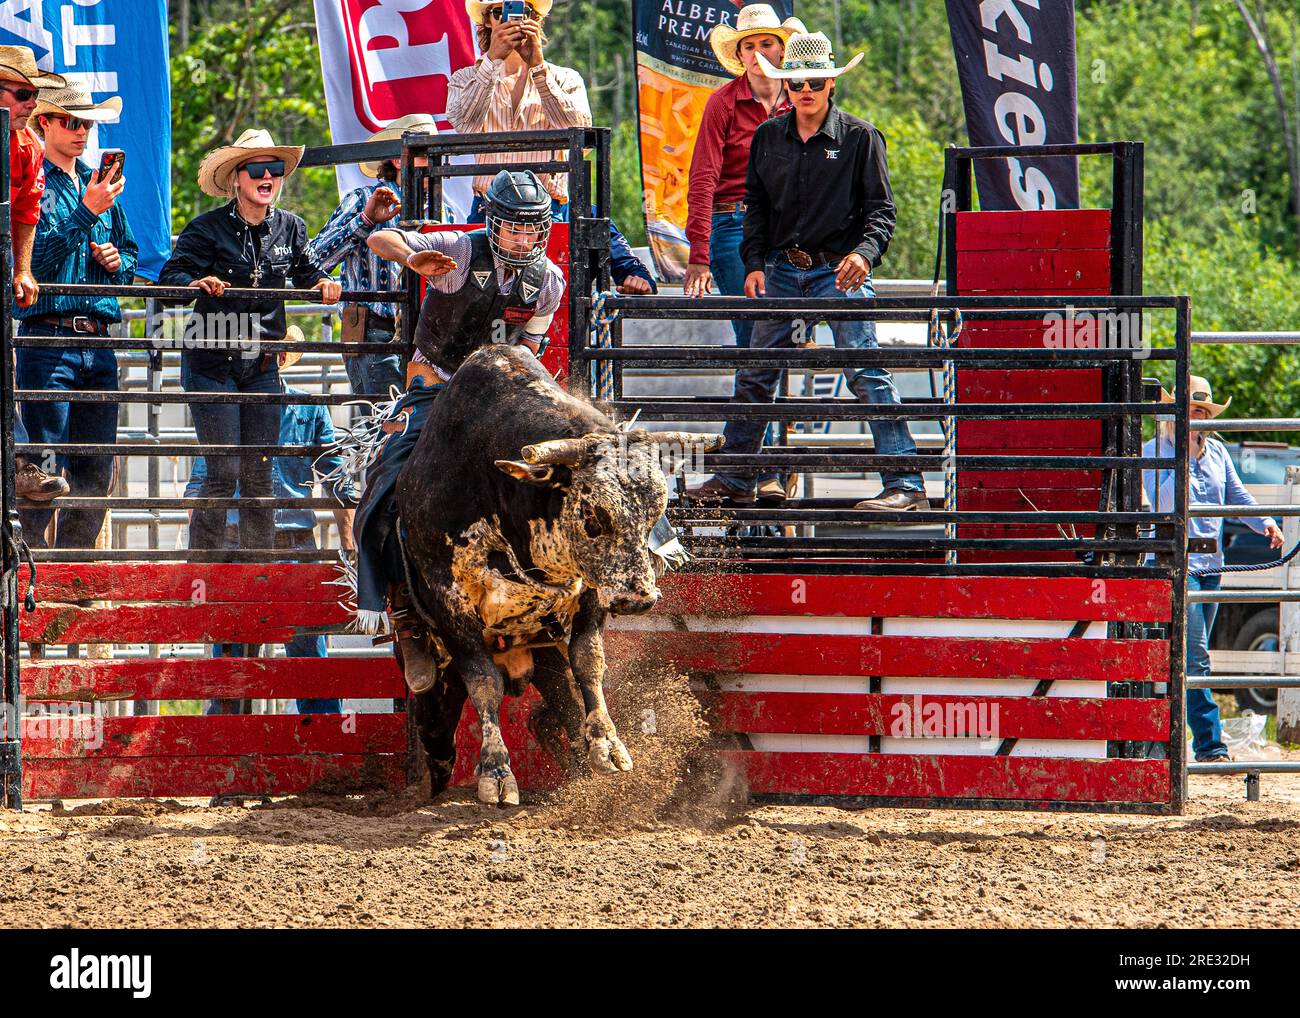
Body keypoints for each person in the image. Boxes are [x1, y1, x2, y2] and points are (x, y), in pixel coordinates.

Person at [685, 32, 925, 510]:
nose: (806, 90)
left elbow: (881, 211)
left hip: (838, 268)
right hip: (781, 269)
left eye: (815, 81)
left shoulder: (860, 137)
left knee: (864, 369)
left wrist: (863, 254)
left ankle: (905, 485)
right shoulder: (769, 137)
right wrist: (753, 263)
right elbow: (756, 206)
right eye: (796, 84)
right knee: (756, 374)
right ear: (787, 87)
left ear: (831, 84)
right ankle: (736, 479)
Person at [353, 168, 566, 637]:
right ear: (493, 221)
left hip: (495, 393)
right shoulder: (464, 249)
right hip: (436, 383)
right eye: (513, 225)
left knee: (576, 448)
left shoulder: (548, 280)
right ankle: (388, 594)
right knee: (391, 473)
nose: (521, 236)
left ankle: (616, 557)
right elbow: (382, 238)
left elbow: (531, 347)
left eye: (531, 226)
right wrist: (413, 258)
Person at [158, 129, 342, 557]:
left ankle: (261, 568)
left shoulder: (292, 228)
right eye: (256, 169)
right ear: (236, 179)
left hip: (261, 365)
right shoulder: (206, 229)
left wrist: (323, 283)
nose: (267, 177)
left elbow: (307, 270)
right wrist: (195, 282)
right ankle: (205, 565)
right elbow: (168, 281)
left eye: (274, 169)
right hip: (211, 363)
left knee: (261, 470)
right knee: (223, 470)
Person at [190, 347, 358, 715]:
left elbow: (335, 476)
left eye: (271, 353)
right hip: (243, 544)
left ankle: (321, 732)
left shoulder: (307, 407)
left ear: (281, 359)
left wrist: (348, 540)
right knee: (235, 649)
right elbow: (200, 485)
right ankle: (231, 735)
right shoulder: (229, 411)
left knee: (304, 648)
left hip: (291, 542)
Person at [685, 4, 802, 502]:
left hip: (788, 232)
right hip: (734, 224)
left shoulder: (802, 97)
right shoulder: (723, 103)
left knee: (768, 346)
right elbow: (704, 176)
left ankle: (753, 470)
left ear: (782, 49)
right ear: (739, 54)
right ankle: (763, 468)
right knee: (756, 345)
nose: (758, 54)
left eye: (767, 44)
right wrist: (698, 251)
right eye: (748, 46)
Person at [14, 85, 136, 549]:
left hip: (98, 340)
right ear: (44, 123)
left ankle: (76, 570)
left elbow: (130, 258)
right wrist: (87, 212)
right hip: (48, 336)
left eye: (87, 123)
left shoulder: (99, 187)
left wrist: (116, 262)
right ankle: (33, 572)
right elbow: (34, 263)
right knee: (43, 467)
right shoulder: (33, 182)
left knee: (95, 467)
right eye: (72, 121)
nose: (82, 130)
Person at [1144, 376, 1282, 764]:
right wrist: (1184, 458)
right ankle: (1209, 744)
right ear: (1177, 416)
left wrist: (1266, 522)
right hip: (1178, 563)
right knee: (1196, 654)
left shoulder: (1218, 453)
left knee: (1187, 654)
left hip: (1211, 565)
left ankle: (1165, 740)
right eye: (1192, 413)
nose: (1199, 421)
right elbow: (1162, 500)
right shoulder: (1155, 452)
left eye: (1203, 414)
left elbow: (1237, 496)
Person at [310, 114, 439, 399]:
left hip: (424, 337)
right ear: (397, 160)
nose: (433, 164)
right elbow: (314, 259)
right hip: (373, 330)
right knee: (385, 422)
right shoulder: (361, 199)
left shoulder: (440, 211)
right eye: (425, 155)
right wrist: (366, 219)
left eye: (436, 156)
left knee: (413, 426)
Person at [447, 0, 591, 223]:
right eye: (499, 12)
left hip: (547, 206)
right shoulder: (464, 78)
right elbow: (465, 125)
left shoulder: (566, 78)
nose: (511, 19)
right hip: (488, 206)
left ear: (533, 19)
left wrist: (538, 68)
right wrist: (493, 60)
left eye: (522, 11)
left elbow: (579, 134)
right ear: (487, 21)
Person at [0, 46, 68, 501]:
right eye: (24, 94)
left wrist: (22, 269)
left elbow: (27, 211)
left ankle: (21, 463)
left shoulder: (28, 146)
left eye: (35, 95)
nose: (31, 104)